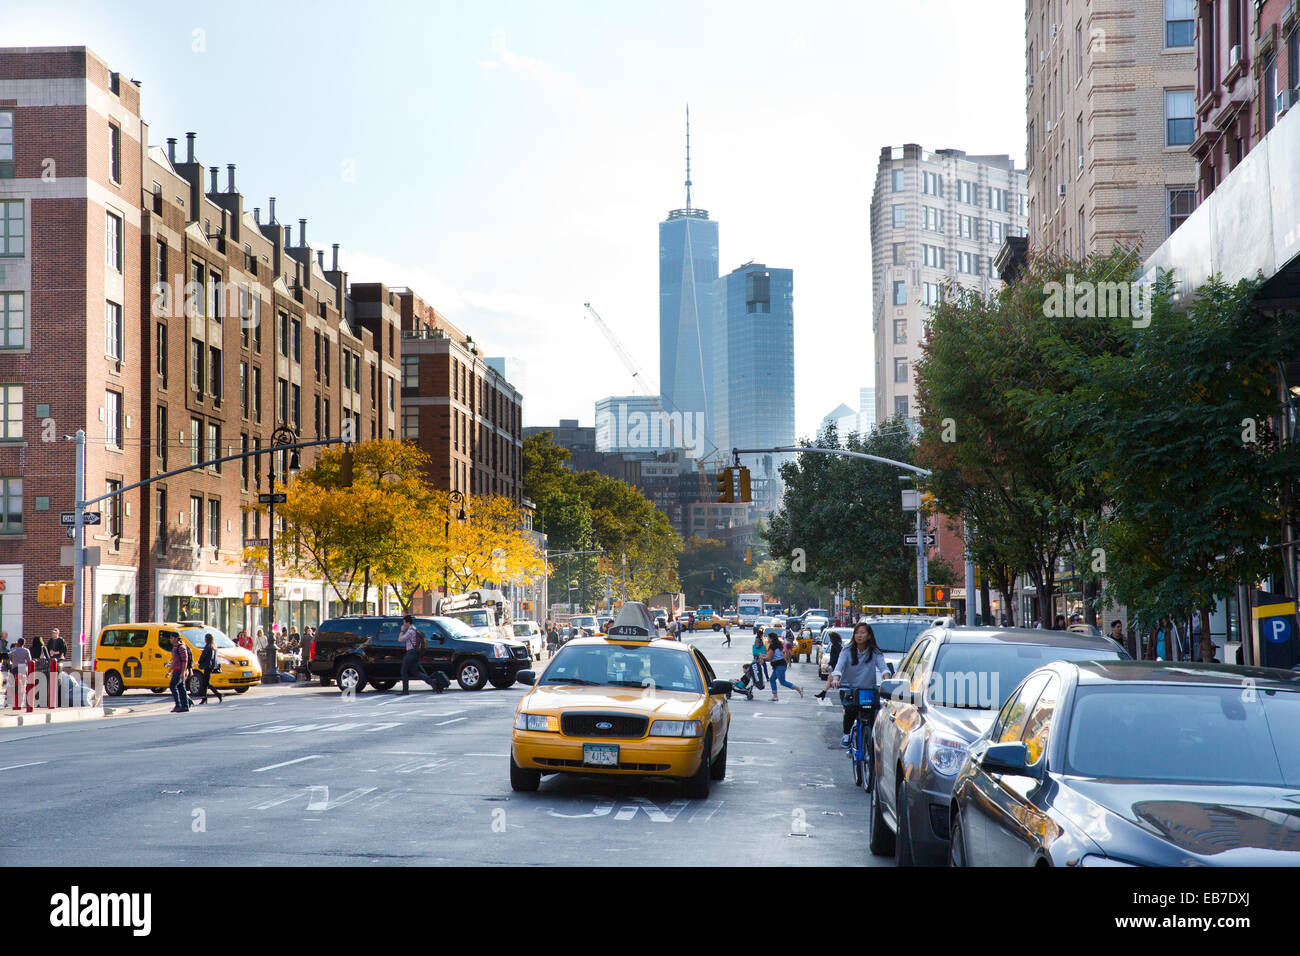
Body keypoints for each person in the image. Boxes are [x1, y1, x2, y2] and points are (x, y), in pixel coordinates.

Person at [830, 622, 890, 746]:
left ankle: (872, 740)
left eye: (862, 632)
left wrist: (887, 681)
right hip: (849, 689)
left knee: (875, 713)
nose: (859, 635)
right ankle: (846, 735)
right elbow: (838, 668)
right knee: (850, 710)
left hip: (868, 690)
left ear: (869, 635)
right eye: (857, 633)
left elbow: (884, 669)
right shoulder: (846, 650)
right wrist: (836, 679)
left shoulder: (875, 652)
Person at [398, 614, 440, 694]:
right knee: (415, 672)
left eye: (404, 622)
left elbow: (400, 639)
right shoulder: (415, 629)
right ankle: (432, 681)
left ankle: (405, 690)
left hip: (411, 652)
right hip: (416, 653)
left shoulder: (410, 631)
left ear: (407, 622)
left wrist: (402, 630)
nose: (403, 624)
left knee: (404, 671)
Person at [765, 631, 802, 701]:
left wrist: (762, 657)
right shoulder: (779, 644)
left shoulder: (772, 646)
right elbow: (786, 652)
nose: (768, 639)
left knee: (782, 682)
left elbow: (769, 658)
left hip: (779, 666)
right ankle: (775, 696)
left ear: (771, 639)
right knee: (772, 679)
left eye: (768, 638)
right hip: (779, 665)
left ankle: (798, 689)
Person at [814, 630, 846, 699]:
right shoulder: (839, 645)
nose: (830, 640)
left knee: (834, 680)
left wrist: (828, 665)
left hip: (836, 667)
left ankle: (824, 692)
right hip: (838, 666)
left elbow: (833, 658)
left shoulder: (834, 646)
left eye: (830, 638)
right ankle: (823, 693)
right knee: (830, 678)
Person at [194, 632, 223, 704]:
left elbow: (204, 656)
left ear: (207, 639)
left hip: (207, 666)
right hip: (211, 666)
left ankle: (217, 694)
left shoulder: (208, 647)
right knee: (205, 682)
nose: (204, 640)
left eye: (205, 638)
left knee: (206, 683)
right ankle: (205, 697)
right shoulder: (213, 647)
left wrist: (199, 662)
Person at [166, 635, 192, 713]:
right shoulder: (175, 647)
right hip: (176, 670)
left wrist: (183, 672)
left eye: (172, 638)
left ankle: (179, 704)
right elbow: (174, 661)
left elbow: (185, 661)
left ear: (176, 638)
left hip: (179, 671)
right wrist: (169, 671)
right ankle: (185, 705)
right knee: (181, 688)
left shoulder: (181, 648)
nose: (170, 639)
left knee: (173, 686)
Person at [8, 637, 32, 712]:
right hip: (22, 669)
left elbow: (9, 659)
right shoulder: (26, 650)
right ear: (24, 644)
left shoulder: (12, 650)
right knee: (22, 687)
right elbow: (29, 660)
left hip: (14, 668)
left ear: (17, 643)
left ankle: (14, 703)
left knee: (14, 686)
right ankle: (20, 703)